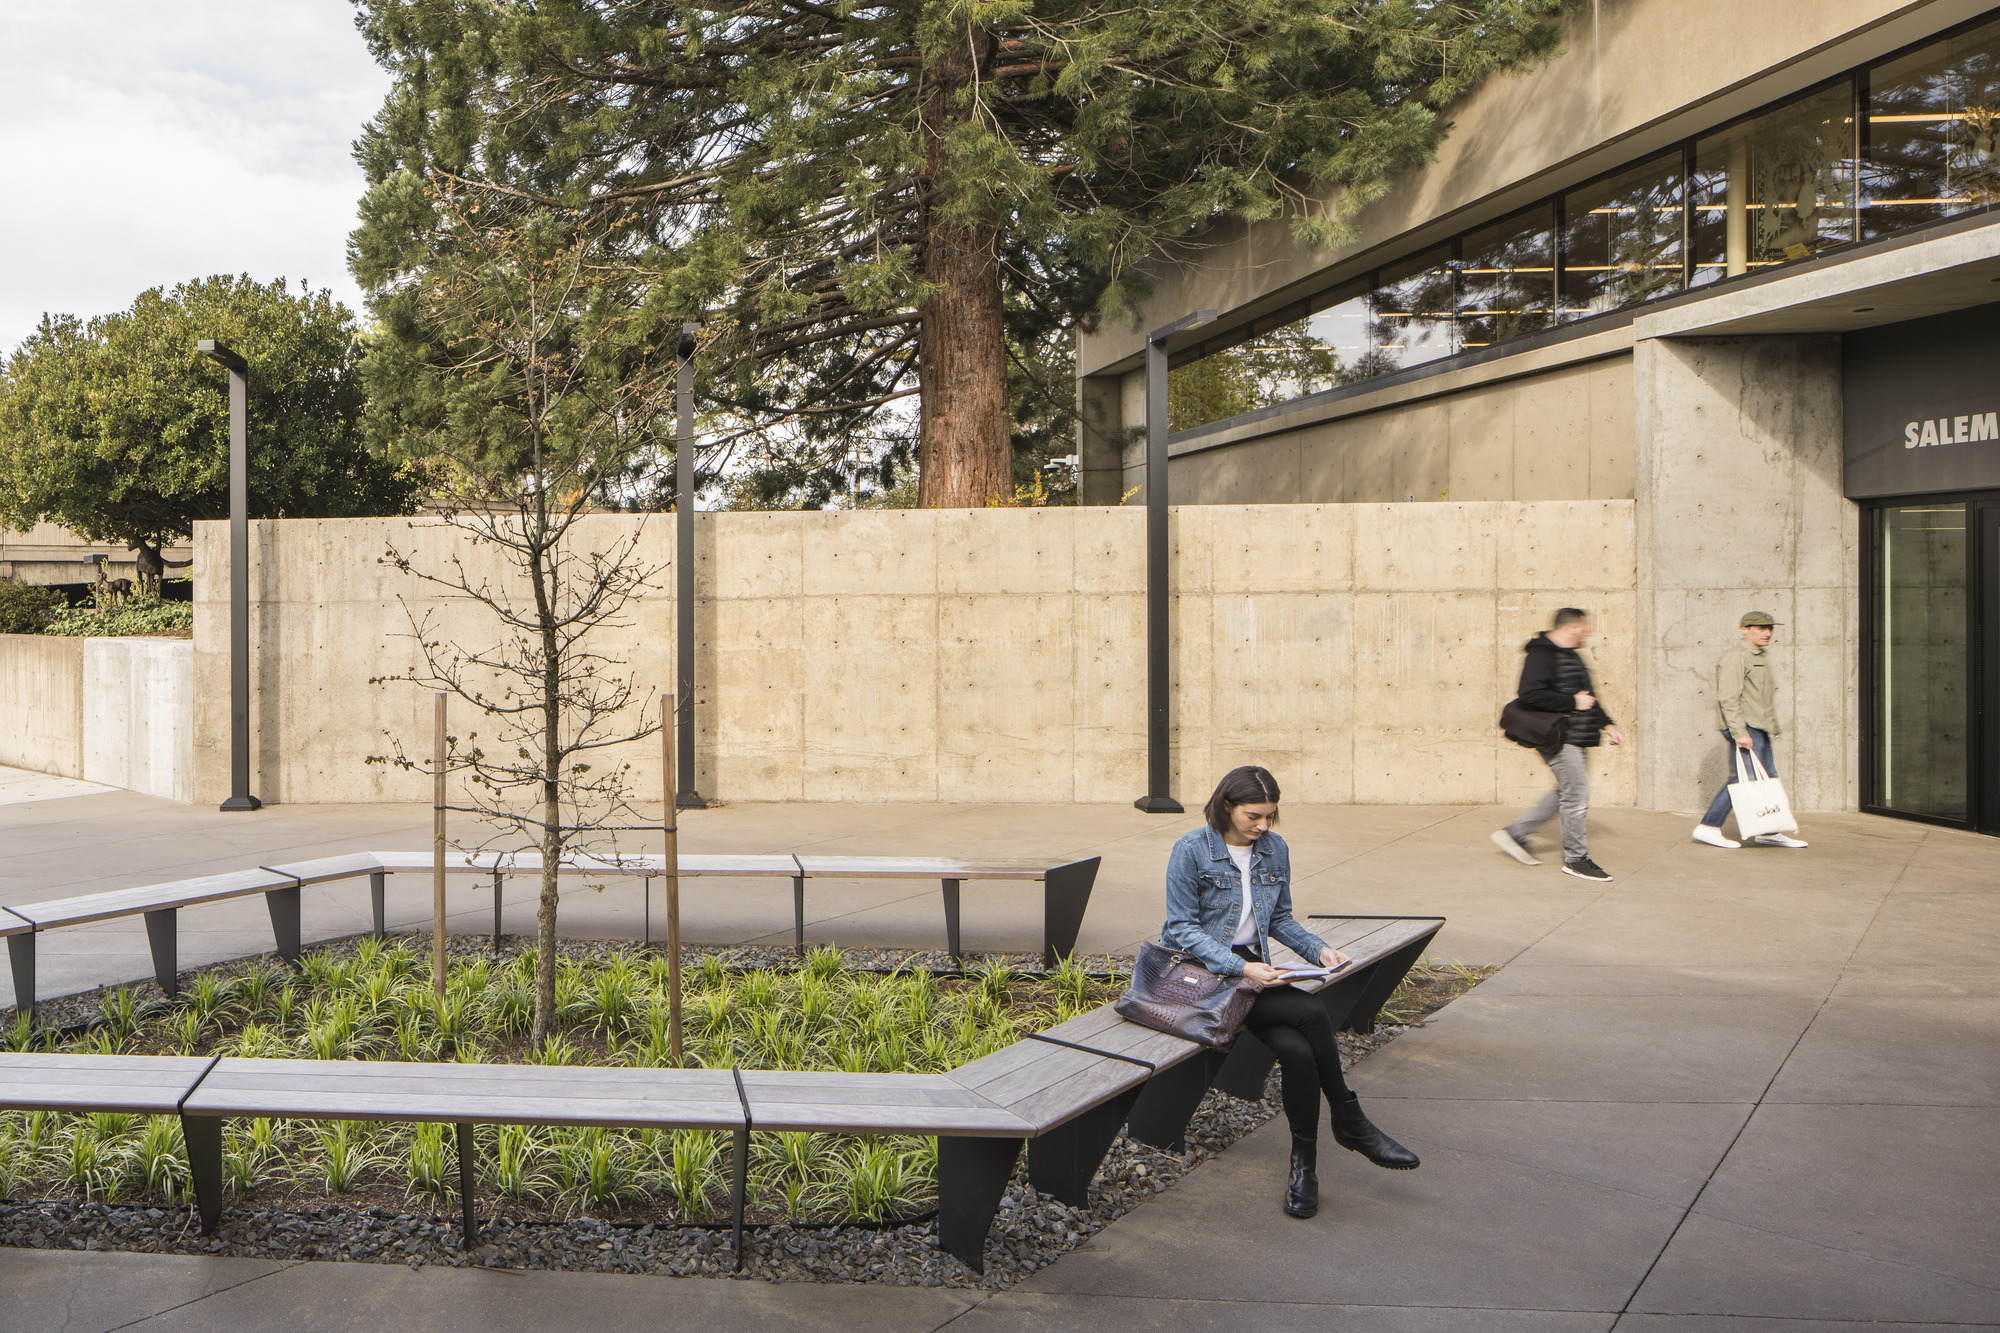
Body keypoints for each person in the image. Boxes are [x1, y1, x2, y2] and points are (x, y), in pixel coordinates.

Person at [1161, 766, 1419, 1220]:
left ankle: (1306, 1167)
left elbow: (1279, 918)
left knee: (1299, 1053)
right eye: (1253, 816)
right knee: (1310, 1012)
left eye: (1270, 817)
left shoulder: (1274, 849)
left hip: (1250, 969)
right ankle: (1349, 1118)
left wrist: (1318, 951)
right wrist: (1243, 967)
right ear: (1226, 806)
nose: (1263, 826)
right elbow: (1181, 928)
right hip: (1202, 974)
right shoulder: (1191, 850)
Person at [1491, 608, 1625, 882]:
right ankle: (1576, 859)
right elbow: (1529, 694)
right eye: (1584, 627)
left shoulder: (1571, 655)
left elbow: (1589, 697)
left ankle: (1515, 834)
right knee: (1576, 795)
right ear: (1572, 628)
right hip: (1559, 736)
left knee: (1567, 791)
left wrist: (1607, 724)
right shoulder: (1542, 655)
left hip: (1577, 735)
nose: (1586, 632)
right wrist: (1571, 703)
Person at [1693, 612, 1808, 849]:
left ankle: (1768, 831)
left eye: (1770, 629)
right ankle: (1708, 827)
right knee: (1744, 781)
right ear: (1744, 629)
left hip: (1758, 727)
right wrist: (1739, 732)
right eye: (1760, 628)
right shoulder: (1736, 657)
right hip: (1746, 728)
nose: (1767, 633)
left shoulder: (1759, 656)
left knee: (1767, 779)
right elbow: (1728, 698)